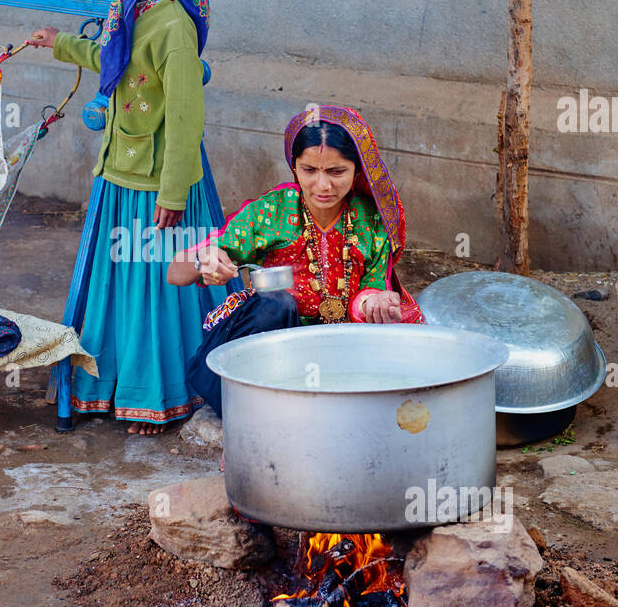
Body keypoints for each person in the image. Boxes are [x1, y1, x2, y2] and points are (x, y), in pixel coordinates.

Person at [30, 0, 234, 434]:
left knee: (157, 287)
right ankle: (111, 385)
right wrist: (62, 46)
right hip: (120, 176)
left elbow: (187, 117)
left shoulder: (173, 25)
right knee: (117, 284)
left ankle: (161, 395)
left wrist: (172, 195)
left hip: (159, 186)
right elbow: (116, 63)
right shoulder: (133, 5)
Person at [167, 105, 425, 417]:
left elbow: (369, 289)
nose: (323, 186)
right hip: (270, 356)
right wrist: (204, 260)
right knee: (276, 305)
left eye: (336, 171)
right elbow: (175, 274)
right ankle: (246, 417)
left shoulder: (371, 221)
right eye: (309, 171)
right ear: (294, 167)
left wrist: (373, 303)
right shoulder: (272, 212)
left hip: (336, 349)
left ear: (358, 171)